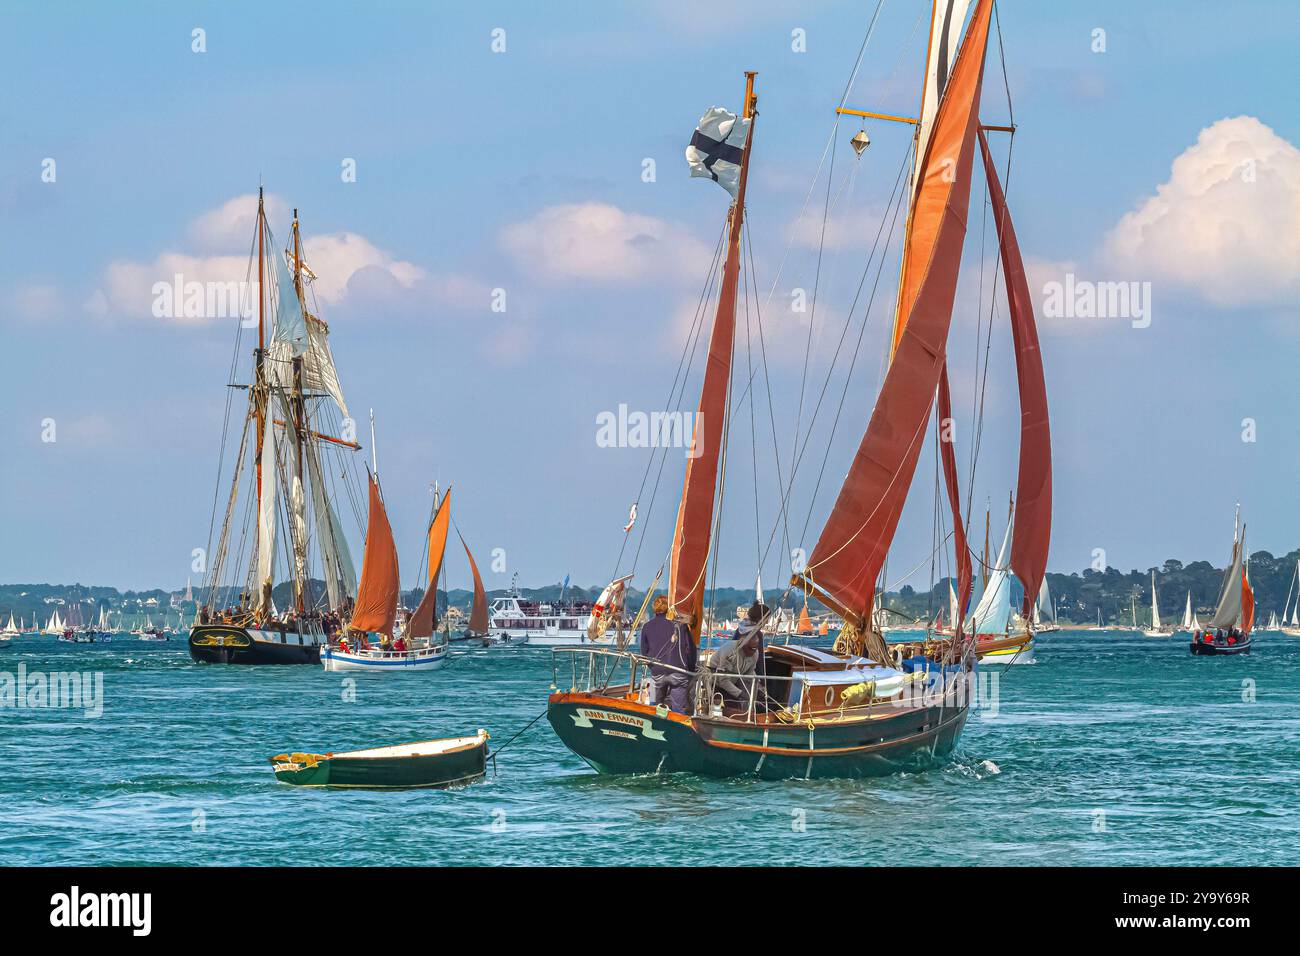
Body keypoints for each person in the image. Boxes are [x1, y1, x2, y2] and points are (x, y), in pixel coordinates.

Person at [639, 595, 697, 714]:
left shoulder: (646, 627)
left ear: (654, 608)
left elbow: (644, 653)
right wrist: (690, 670)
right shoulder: (680, 626)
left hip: (656, 674)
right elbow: (690, 650)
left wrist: (654, 668)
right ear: (668, 609)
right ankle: (676, 726)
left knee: (653, 706)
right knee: (678, 711)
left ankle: (653, 722)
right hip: (678, 674)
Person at [709, 602, 769, 711]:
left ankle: (748, 712)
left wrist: (757, 682)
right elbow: (723, 678)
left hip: (735, 675)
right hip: (718, 680)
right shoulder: (754, 634)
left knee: (742, 703)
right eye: (767, 619)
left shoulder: (742, 630)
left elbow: (751, 668)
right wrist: (741, 693)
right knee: (734, 705)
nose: (768, 622)